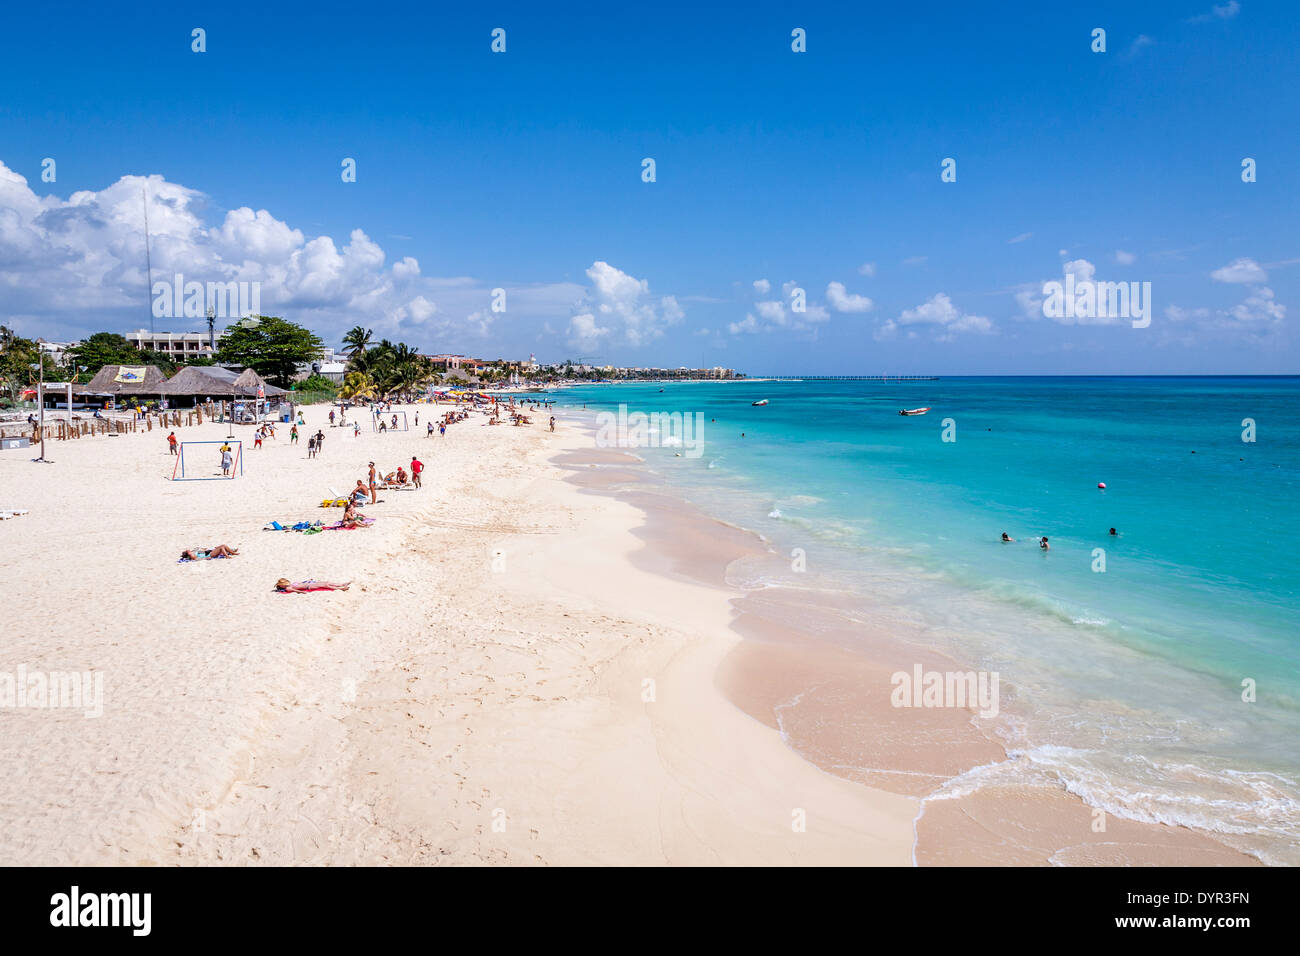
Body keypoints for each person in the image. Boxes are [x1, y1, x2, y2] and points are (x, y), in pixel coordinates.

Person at [275, 578, 351, 593]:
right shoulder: (289, 588)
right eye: (284, 584)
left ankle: (341, 584)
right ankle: (341, 588)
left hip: (309, 583)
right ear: (281, 586)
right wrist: (302, 592)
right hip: (309, 587)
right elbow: (296, 590)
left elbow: (301, 583)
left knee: (326, 582)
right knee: (326, 585)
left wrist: (308, 580)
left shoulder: (291, 584)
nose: (286, 584)